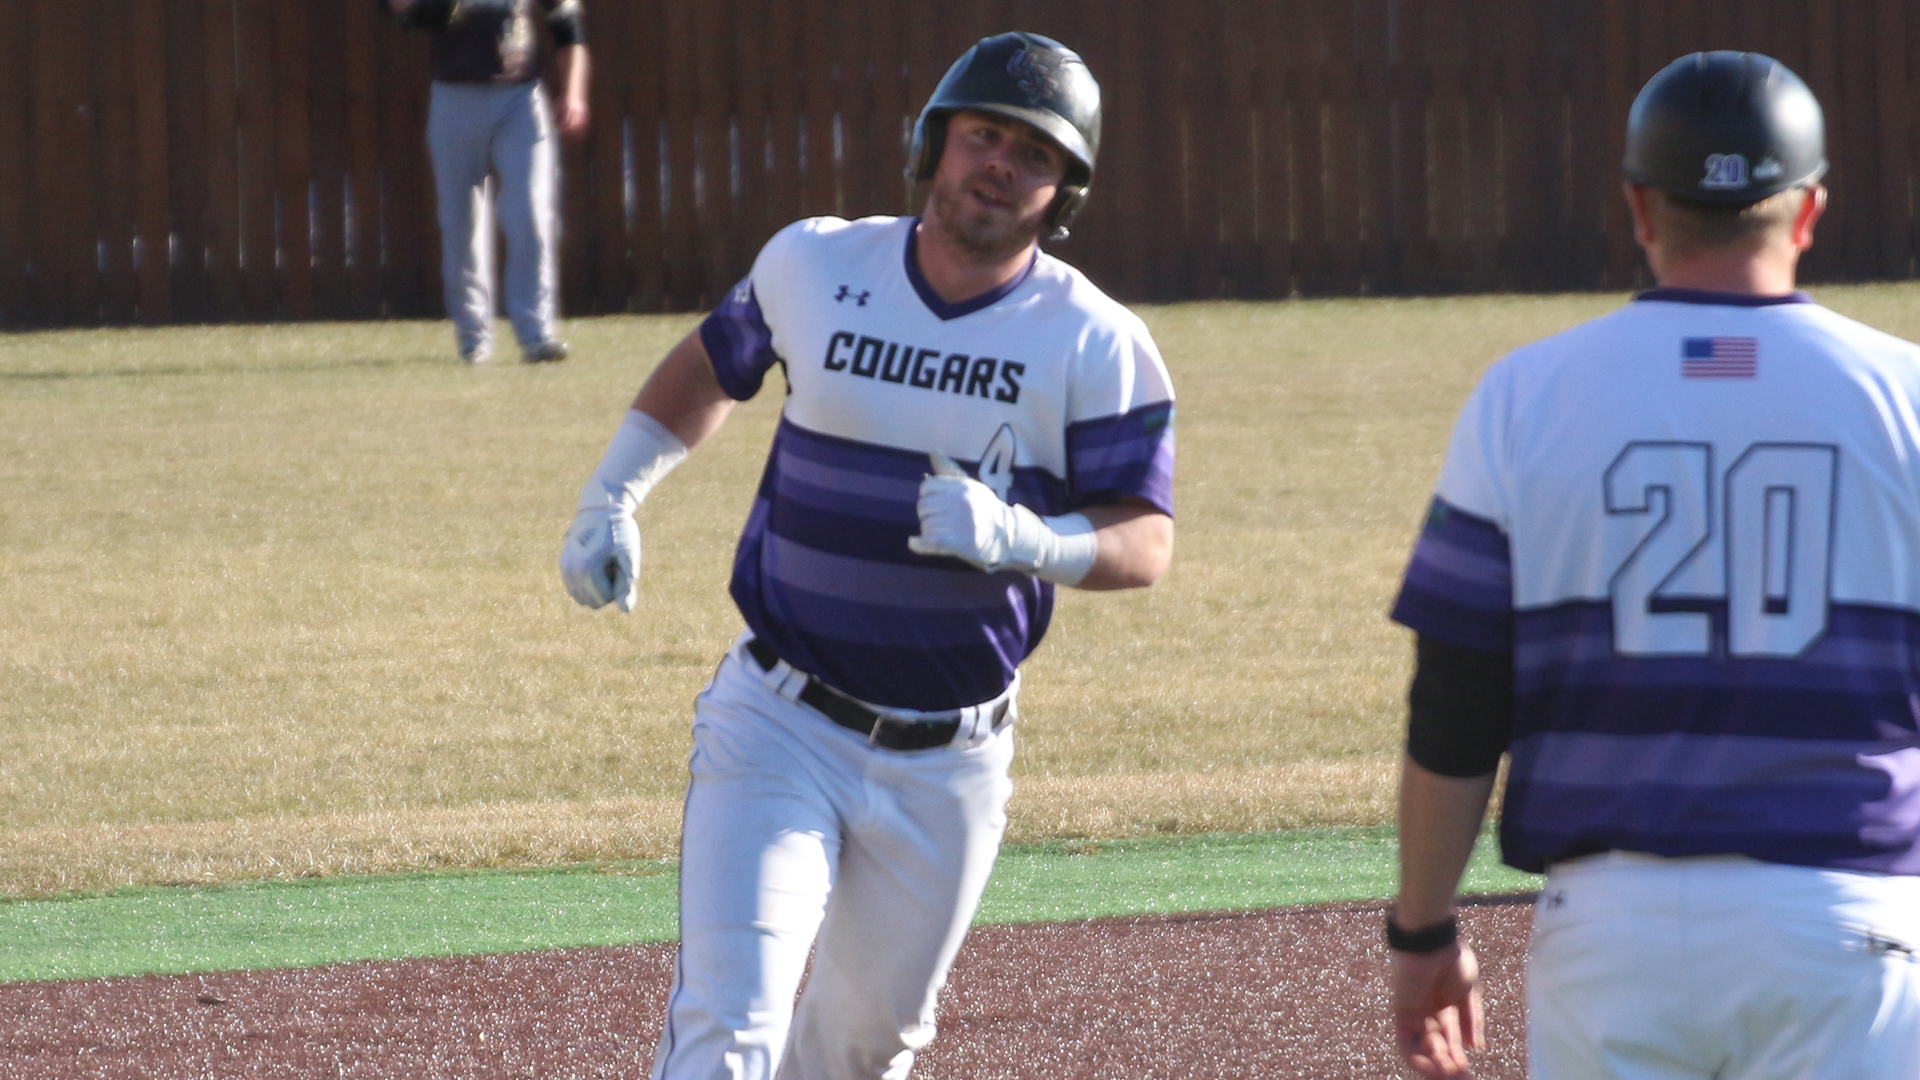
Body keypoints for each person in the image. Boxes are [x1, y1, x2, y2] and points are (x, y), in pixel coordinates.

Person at [558, 32, 1175, 1080]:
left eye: (1034, 154)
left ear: (1064, 190)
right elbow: (712, 364)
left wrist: (1027, 539)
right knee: (730, 1028)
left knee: (863, 1048)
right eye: (983, 136)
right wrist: (611, 494)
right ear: (933, 143)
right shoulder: (816, 262)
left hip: (954, 759)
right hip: (779, 724)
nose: (1000, 166)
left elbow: (1145, 540)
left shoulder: (1098, 339)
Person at [1385, 51, 1920, 1080]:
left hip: (1610, 930)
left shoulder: (1525, 395)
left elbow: (1456, 702)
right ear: (1810, 210)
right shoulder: (1905, 396)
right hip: (1848, 919)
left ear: (1639, 205)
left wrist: (1422, 932)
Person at [379, 0, 588, 364]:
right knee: (462, 223)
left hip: (520, 97)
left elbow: (568, 26)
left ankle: (537, 334)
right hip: (454, 94)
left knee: (531, 213)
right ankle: (474, 339)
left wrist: (574, 93)